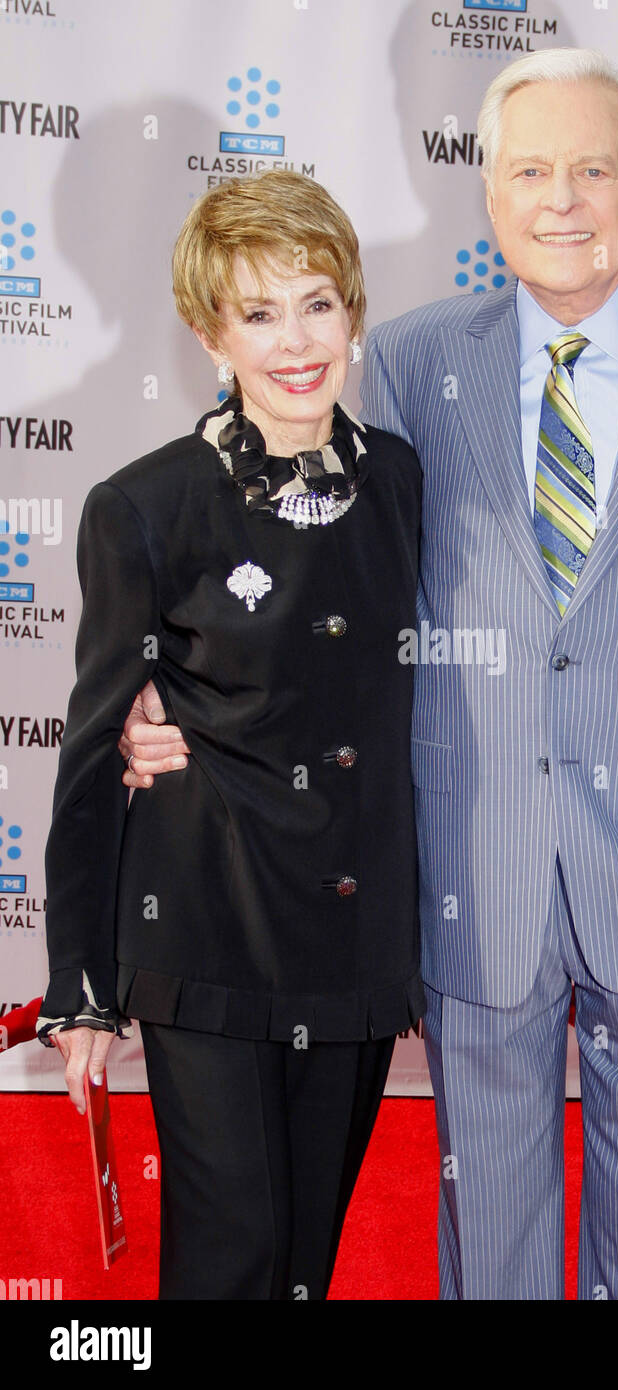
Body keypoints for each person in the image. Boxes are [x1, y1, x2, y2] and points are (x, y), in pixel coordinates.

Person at [122, 48, 618, 1300]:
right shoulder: (401, 363)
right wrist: (165, 693)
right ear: (489, 195)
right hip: (469, 881)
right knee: (487, 1239)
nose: (562, 199)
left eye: (592, 168)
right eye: (529, 171)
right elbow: (309, 605)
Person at [38, 169, 423, 1300]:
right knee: (231, 1255)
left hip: (354, 947)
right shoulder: (145, 504)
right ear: (211, 333)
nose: (295, 340)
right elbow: (91, 758)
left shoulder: (402, 481)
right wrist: (81, 983)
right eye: (258, 312)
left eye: (317, 302)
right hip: (206, 930)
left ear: (353, 311)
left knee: (307, 1262)